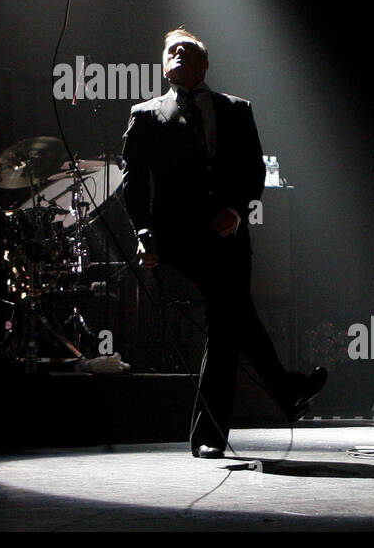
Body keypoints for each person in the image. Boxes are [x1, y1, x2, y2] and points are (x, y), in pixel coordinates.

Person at [121, 28, 327, 458]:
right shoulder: (146, 115)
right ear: (164, 65)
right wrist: (143, 233)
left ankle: (218, 433)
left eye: (187, 50)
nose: (178, 54)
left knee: (228, 324)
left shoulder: (237, 109)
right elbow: (134, 185)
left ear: (205, 64)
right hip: (178, 241)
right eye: (171, 51)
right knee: (230, 317)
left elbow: (252, 169)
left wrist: (237, 210)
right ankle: (281, 392)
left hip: (228, 235)